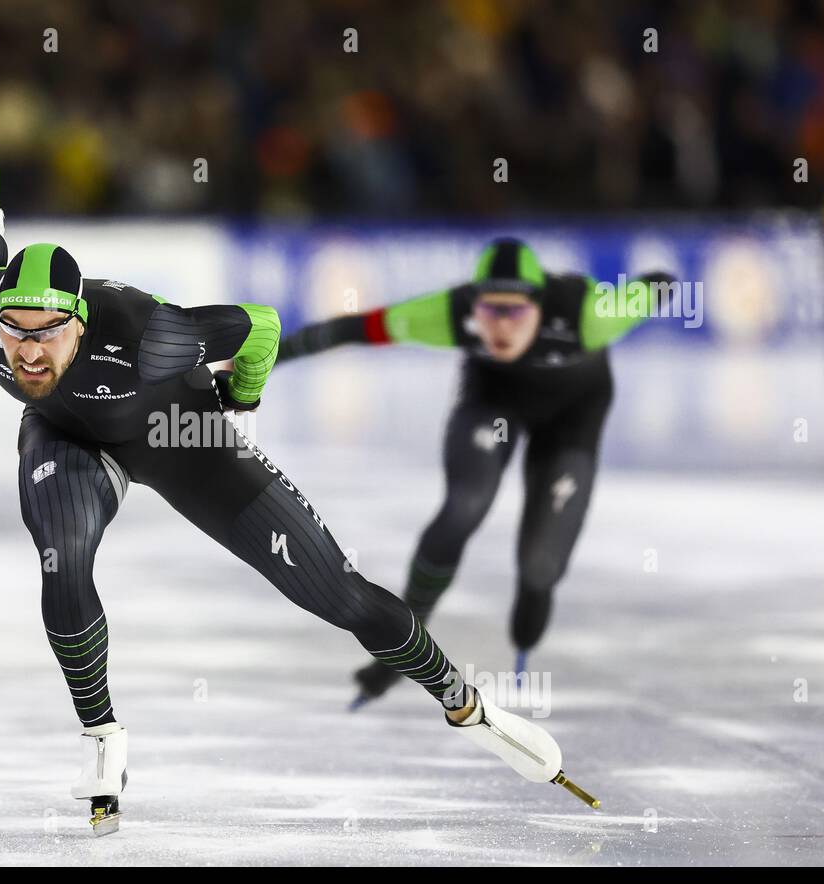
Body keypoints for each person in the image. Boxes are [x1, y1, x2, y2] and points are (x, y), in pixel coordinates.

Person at [0, 33, 584, 833]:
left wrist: (238, 400)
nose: (27, 351)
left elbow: (264, 326)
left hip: (178, 429)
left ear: (79, 322)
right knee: (63, 563)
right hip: (67, 438)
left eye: (46, 334)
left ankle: (462, 702)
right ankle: (102, 734)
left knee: (337, 593)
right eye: (13, 333)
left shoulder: (150, 333)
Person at [277, 237, 672, 709]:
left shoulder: (590, 314)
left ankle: (528, 624)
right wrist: (270, 354)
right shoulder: (451, 311)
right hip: (492, 403)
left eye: (515, 312)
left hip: (573, 418)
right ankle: (403, 639)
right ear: (474, 304)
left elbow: (650, 289)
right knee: (464, 506)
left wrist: (659, 284)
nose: (501, 326)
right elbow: (357, 329)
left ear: (540, 306)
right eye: (490, 310)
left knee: (540, 567)